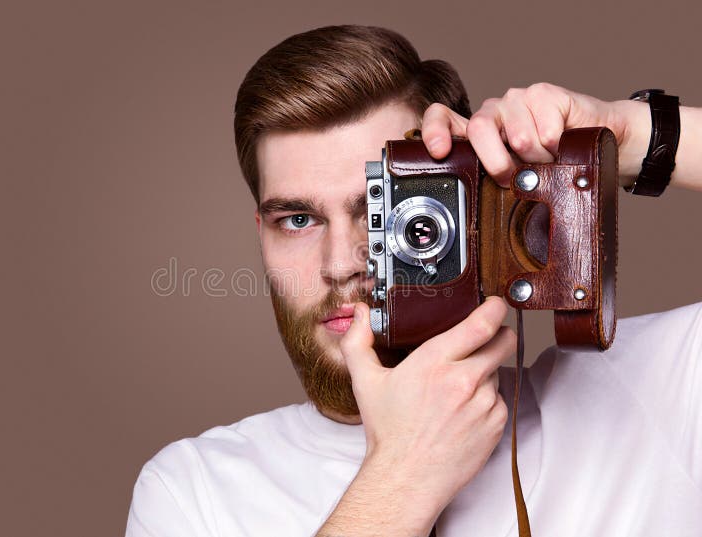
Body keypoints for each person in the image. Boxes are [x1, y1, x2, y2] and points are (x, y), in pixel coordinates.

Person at [125, 25, 702, 537]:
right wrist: (403, 475)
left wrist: (629, 135)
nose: (342, 263)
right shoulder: (191, 492)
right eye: (298, 220)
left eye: (389, 211)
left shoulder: (650, 399)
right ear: (262, 236)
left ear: (474, 207)